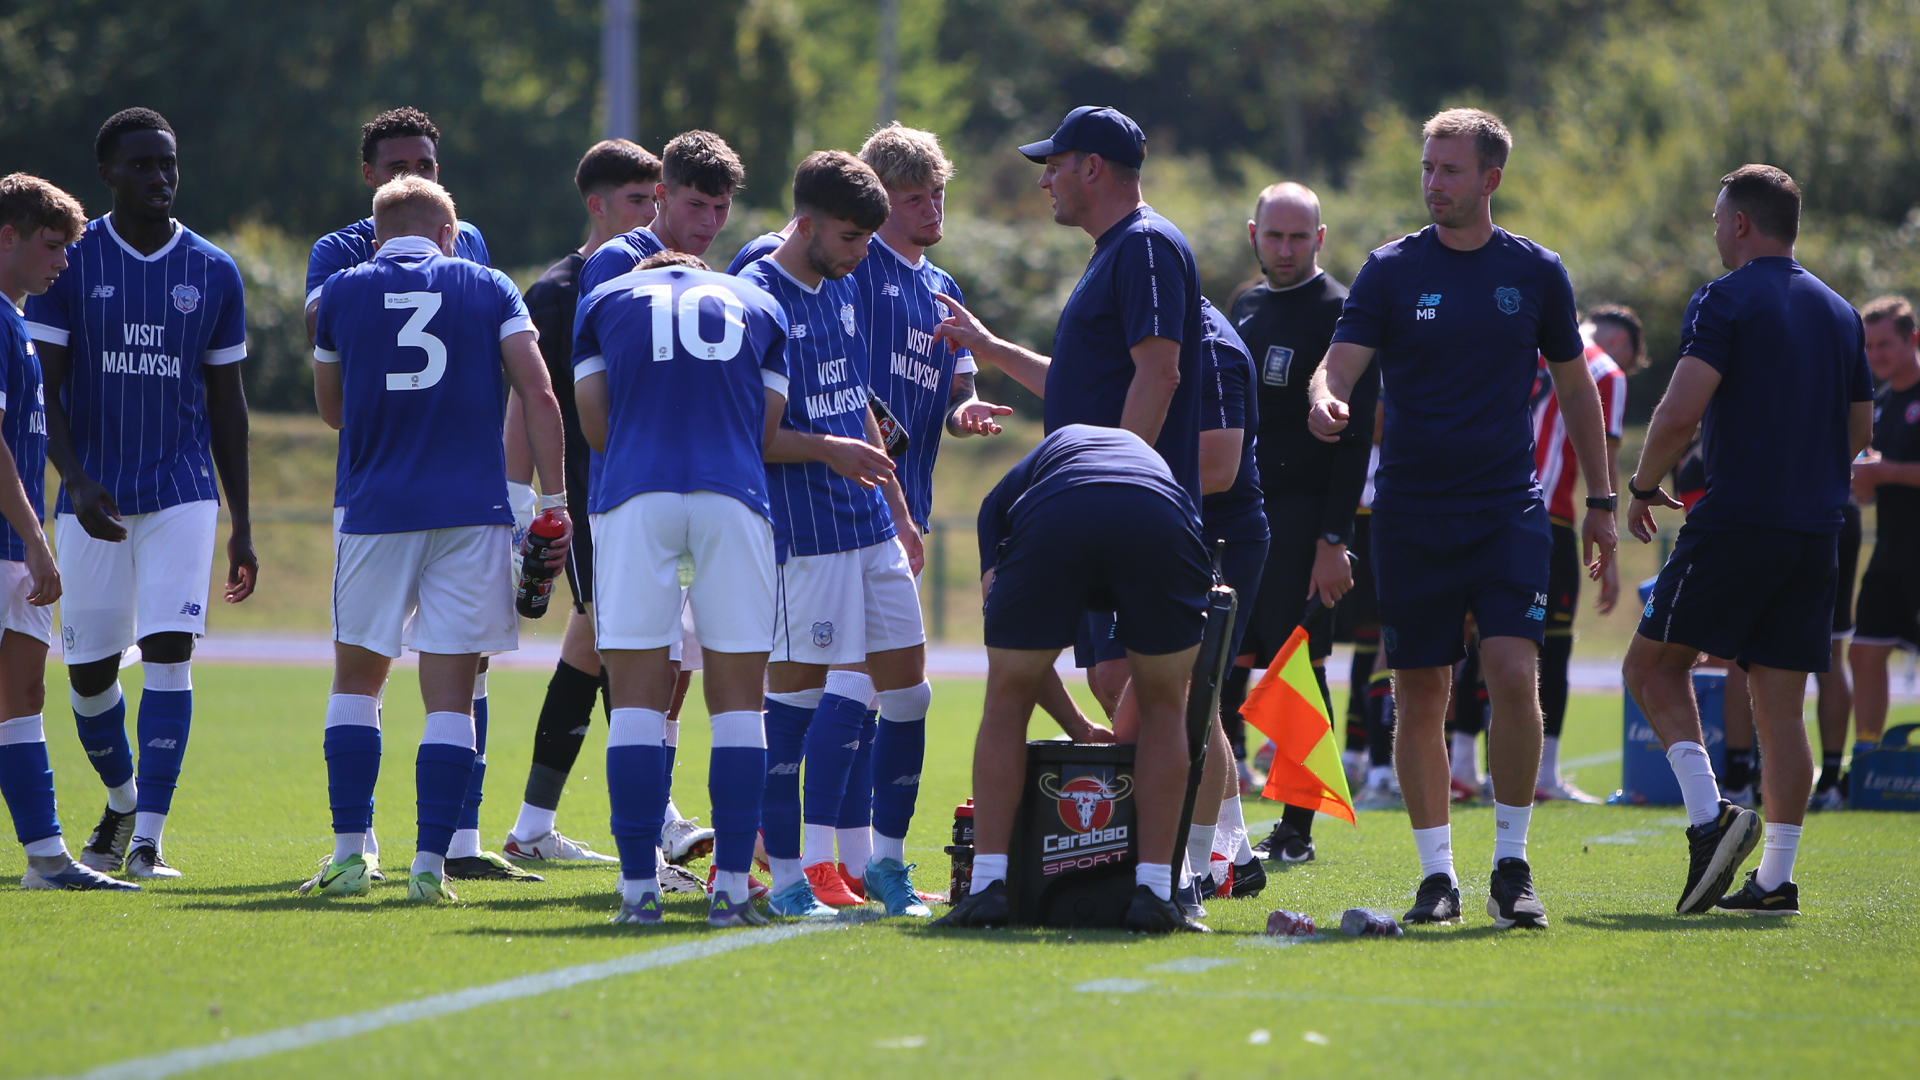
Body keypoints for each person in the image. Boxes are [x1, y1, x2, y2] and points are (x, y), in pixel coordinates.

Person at [1308, 108, 1617, 930]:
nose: (1433, 182)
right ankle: (1437, 877)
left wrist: (1601, 499)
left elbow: (1576, 388)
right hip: (1410, 517)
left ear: (1491, 179)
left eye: (1450, 169)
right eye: (1426, 167)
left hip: (1508, 511)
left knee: (1516, 674)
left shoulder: (1537, 272)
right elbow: (1335, 366)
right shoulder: (1389, 270)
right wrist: (1325, 398)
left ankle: (1511, 867)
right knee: (1422, 693)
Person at [299, 177, 569, 902]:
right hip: (472, 512)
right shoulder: (489, 285)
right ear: (449, 234)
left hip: (375, 508)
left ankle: (350, 855)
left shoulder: (342, 291)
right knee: (451, 697)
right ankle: (428, 866)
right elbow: (539, 396)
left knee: (358, 680)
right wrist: (558, 499)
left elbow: (332, 410)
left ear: (379, 235)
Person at [1622, 165, 1872, 917]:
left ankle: (1710, 819)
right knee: (1780, 705)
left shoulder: (1725, 298)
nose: (1713, 228)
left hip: (1738, 522)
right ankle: (1775, 880)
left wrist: (1641, 486)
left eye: (1715, 216)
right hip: (1817, 531)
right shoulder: (1840, 310)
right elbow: (1861, 430)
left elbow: (1676, 413)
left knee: (1652, 668)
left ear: (1739, 224)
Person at [24, 108, 257, 881]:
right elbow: (44, 393)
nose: (159, 178)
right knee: (87, 677)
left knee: (168, 652)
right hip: (92, 496)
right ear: (109, 175)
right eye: (142, 165)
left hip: (184, 490)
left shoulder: (215, 271)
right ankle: (123, 801)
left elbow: (228, 402)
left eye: (168, 163)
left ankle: (151, 837)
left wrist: (243, 524)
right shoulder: (72, 265)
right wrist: (78, 480)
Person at [804, 124, 1012, 905]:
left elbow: (955, 385)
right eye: (915, 198)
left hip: (906, 504)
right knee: (847, 685)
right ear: (880, 203)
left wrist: (965, 411)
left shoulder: (941, 283)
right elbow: (846, 389)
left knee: (891, 689)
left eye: (939, 194)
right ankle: (814, 856)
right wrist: (888, 498)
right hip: (850, 504)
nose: (933, 210)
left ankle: (861, 861)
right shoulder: (858, 271)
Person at [737, 151, 930, 919]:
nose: (860, 255)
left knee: (908, 696)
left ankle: (886, 870)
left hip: (870, 526)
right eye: (851, 239)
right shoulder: (757, 298)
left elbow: (856, 408)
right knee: (795, 708)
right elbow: (755, 435)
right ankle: (789, 880)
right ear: (808, 224)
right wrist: (832, 452)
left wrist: (902, 512)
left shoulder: (840, 286)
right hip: (805, 538)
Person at [573, 250, 788, 927]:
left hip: (637, 494)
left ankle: (639, 891)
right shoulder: (758, 301)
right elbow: (766, 428)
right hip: (733, 494)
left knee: (637, 704)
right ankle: (729, 888)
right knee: (739, 706)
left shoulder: (605, 299)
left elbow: (594, 425)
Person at [935, 425, 1212, 933]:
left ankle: (989, 887)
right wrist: (1087, 725)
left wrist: (1079, 725)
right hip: (1156, 516)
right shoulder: (1151, 465)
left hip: (1059, 515)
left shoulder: (1010, 495)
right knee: (1166, 706)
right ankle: (1154, 891)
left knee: (1005, 699)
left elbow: (1018, 667)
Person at [498, 139, 661, 867]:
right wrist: (541, 502)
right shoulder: (559, 292)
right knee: (618, 641)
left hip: (650, 495)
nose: (651, 213)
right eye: (637, 199)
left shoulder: (663, 280)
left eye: (657, 198)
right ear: (596, 204)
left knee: (599, 643)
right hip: (597, 497)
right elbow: (536, 406)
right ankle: (657, 826)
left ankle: (535, 826)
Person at [1230, 180, 1376, 863]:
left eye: (1298, 236)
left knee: (1295, 667)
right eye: (1274, 234)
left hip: (1300, 518)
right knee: (1223, 658)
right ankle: (1218, 814)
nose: (1284, 248)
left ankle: (1296, 827)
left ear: (1319, 239)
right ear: (1252, 232)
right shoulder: (1245, 305)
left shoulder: (1344, 313)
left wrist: (1333, 539)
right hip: (1236, 509)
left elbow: (1355, 441)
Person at [0, 173, 137, 892]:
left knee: (23, 692)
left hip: (10, 544)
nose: (63, 262)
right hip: (9, 540)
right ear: (8, 237)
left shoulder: (15, 321)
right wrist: (35, 534)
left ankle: (47, 859)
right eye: (52, 246)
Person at [1529, 305, 1642, 802]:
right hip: (1544, 517)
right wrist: (1610, 556)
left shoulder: (1526, 344)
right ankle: (1543, 775)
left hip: (1479, 505)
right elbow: (1608, 467)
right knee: (1551, 646)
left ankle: (1463, 765)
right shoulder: (1606, 371)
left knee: (1480, 638)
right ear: (1622, 344)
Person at [1843, 296, 1920, 799]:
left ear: (1913, 339)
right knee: (1864, 652)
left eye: (1885, 343)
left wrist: (1885, 472)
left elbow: (1893, 470)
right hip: (1892, 552)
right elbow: (1872, 478)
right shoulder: (1883, 401)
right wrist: (1863, 483)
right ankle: (1869, 758)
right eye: (1868, 346)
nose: (1875, 354)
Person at [578, 130, 743, 297]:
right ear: (663, 195)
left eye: (721, 207)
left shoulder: (705, 275)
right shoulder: (617, 260)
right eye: (696, 204)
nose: (710, 221)